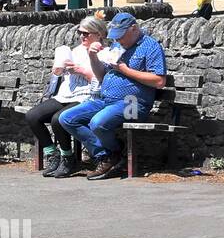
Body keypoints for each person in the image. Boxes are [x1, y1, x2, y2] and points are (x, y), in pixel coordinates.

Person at [58, 11, 167, 180]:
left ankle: (113, 153)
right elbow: (101, 76)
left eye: (122, 35)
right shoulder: (117, 45)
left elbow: (159, 81)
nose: (119, 40)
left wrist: (126, 70)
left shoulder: (151, 47)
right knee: (67, 118)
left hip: (133, 104)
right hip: (106, 99)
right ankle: (108, 155)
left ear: (134, 29)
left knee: (97, 122)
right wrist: (92, 56)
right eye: (116, 36)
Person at [25, 16, 115, 178]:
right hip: (65, 94)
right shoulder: (74, 51)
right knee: (33, 116)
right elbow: (60, 74)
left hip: (87, 95)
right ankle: (52, 155)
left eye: (86, 34)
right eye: (80, 32)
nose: (82, 37)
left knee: (58, 119)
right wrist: (58, 70)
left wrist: (81, 71)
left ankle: (68, 157)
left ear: (99, 34)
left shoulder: (105, 53)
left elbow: (102, 82)